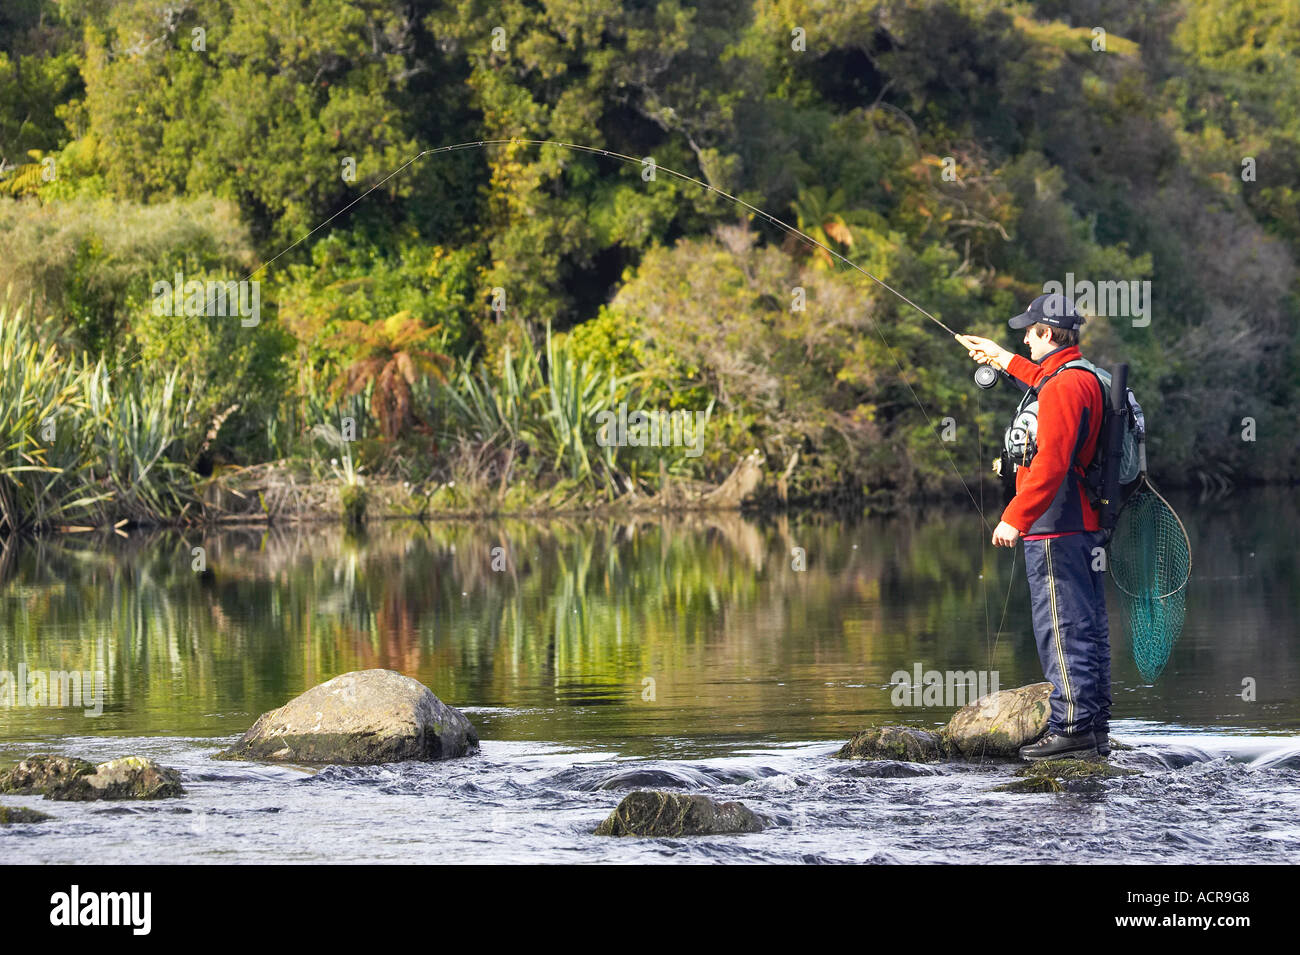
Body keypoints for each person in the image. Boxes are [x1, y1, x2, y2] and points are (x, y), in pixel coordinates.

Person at [957, 293, 1111, 760]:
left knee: (1061, 627)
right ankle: (1092, 725)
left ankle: (1071, 729)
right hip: (1079, 521)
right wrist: (1001, 359)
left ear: (1048, 333)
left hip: (1054, 525)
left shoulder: (1064, 387)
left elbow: (1052, 463)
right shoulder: (1081, 375)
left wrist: (1014, 517)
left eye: (1029, 331)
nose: (1024, 337)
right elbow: (1043, 378)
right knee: (1087, 625)